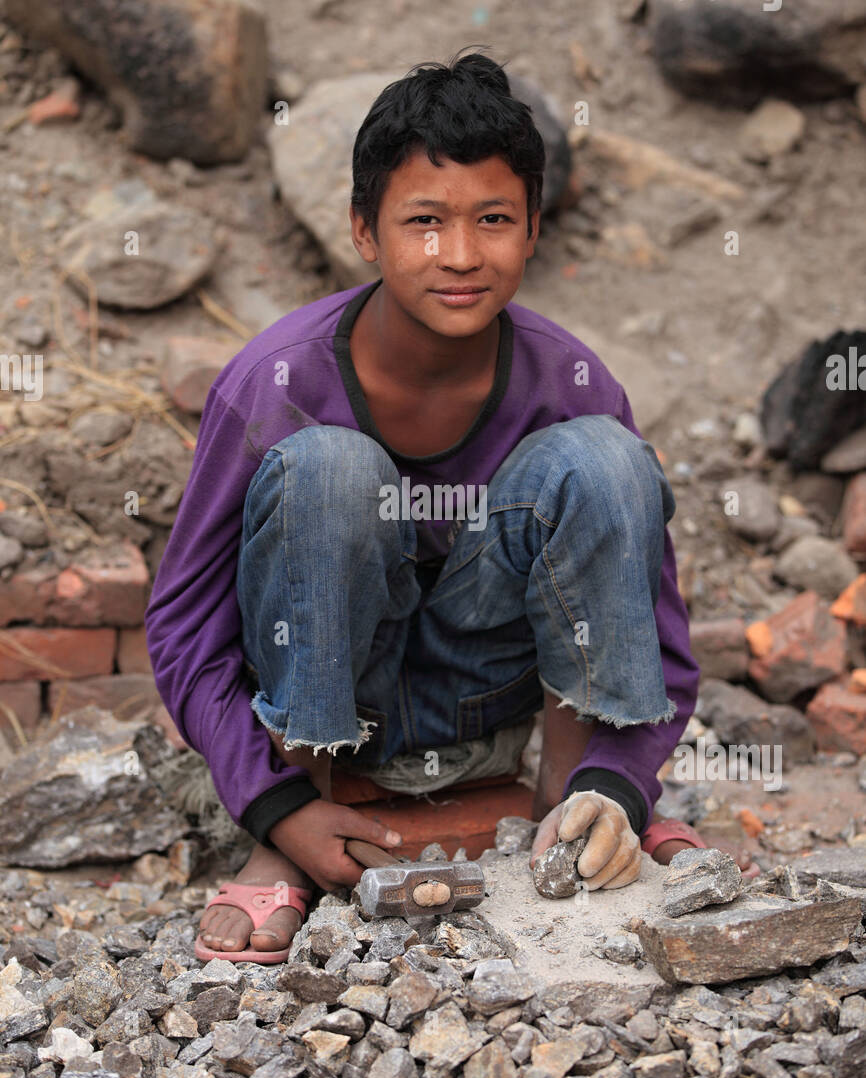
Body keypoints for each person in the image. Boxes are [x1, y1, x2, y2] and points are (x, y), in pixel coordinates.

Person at [144, 50, 752, 964]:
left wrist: (621, 782)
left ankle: (572, 805)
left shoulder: (571, 382)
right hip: (335, 716)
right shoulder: (277, 381)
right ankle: (293, 838)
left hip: (491, 706)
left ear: (534, 227)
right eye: (423, 221)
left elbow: (657, 632)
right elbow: (183, 628)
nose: (461, 254)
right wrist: (270, 798)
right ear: (363, 230)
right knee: (331, 472)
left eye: (494, 220)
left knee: (605, 460)